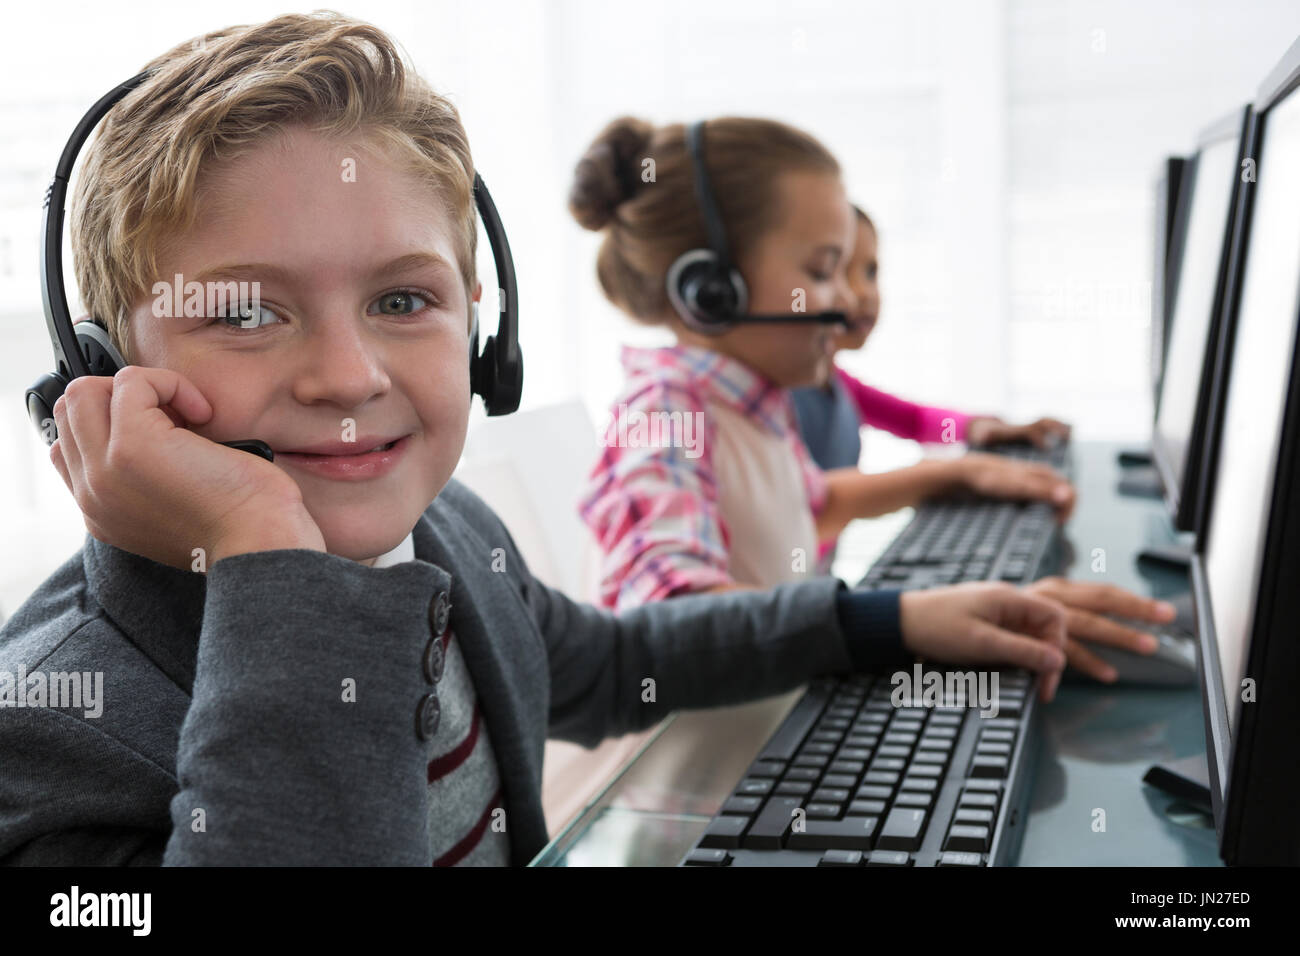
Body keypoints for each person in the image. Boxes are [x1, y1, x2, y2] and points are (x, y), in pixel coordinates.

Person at [0, 12, 1096, 867]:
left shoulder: (450, 534)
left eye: (400, 300)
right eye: (243, 311)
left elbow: (618, 665)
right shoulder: (54, 731)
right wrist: (265, 556)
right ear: (100, 370)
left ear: (483, 329)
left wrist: (879, 618)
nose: (347, 376)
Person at [573, 115, 1171, 683]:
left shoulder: (750, 399)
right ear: (710, 290)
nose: (847, 302)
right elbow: (666, 627)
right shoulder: (662, 415)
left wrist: (958, 476)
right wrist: (902, 621)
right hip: (704, 772)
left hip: (772, 713)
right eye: (824, 268)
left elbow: (811, 505)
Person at [792, 205, 1072, 572]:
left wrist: (974, 428)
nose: (862, 292)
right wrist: (952, 475)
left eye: (871, 271)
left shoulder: (838, 384)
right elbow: (806, 500)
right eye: (837, 272)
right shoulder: (776, 397)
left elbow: (915, 419)